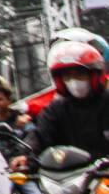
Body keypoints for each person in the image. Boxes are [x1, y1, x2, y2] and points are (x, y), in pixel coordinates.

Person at [13, 40, 109, 171]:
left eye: (79, 75)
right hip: (70, 179)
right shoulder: (56, 109)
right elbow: (40, 136)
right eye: (68, 76)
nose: (73, 81)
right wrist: (25, 155)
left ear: (94, 75)